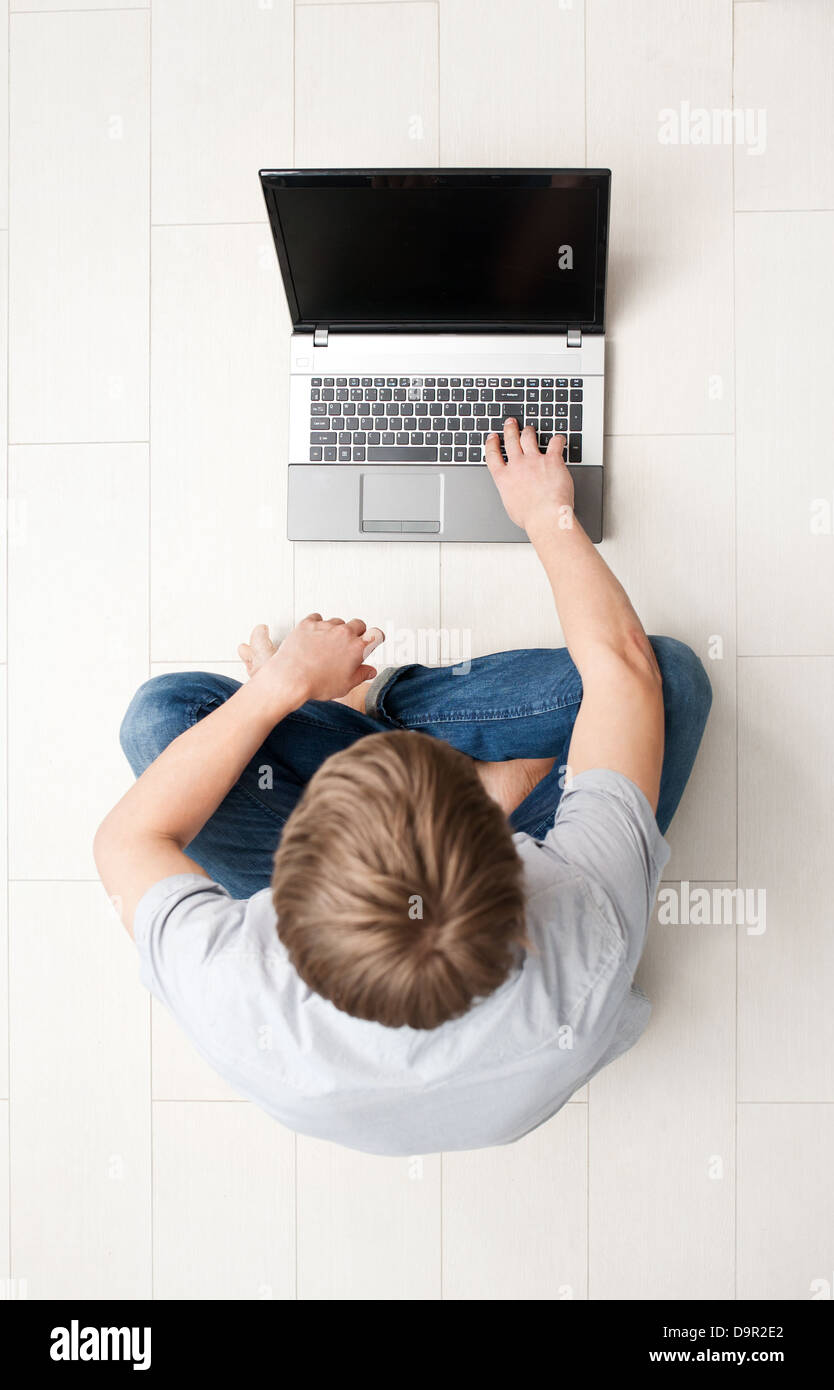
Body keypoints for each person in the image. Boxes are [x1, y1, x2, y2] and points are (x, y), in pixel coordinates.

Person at [95, 423, 712, 1155]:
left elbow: (127, 837)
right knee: (669, 685)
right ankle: (429, 740)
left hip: (392, 893)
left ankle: (372, 720)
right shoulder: (585, 920)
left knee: (159, 723)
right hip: (520, 897)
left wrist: (279, 692)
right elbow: (628, 671)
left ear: (285, 894)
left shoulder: (232, 989)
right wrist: (548, 514)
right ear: (509, 856)